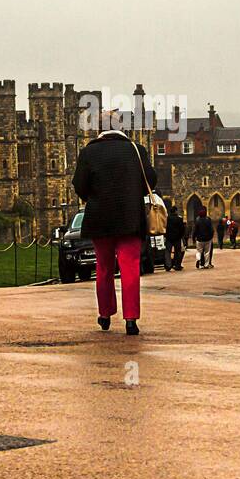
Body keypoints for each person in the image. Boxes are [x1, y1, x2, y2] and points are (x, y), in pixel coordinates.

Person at [70, 118, 156, 334]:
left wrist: (93, 196)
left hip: (100, 218)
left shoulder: (89, 152)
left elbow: (79, 184)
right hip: (129, 218)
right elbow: (151, 180)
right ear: (121, 129)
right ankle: (131, 319)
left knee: (104, 267)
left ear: (100, 130)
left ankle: (105, 314)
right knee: (130, 268)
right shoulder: (136, 150)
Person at [165, 205, 186, 271]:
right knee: (178, 252)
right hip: (177, 238)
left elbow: (165, 228)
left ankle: (168, 265)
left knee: (168, 252)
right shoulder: (179, 219)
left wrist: (166, 235)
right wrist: (180, 236)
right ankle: (177, 265)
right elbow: (182, 229)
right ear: (176, 211)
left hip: (169, 237)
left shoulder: (167, 219)